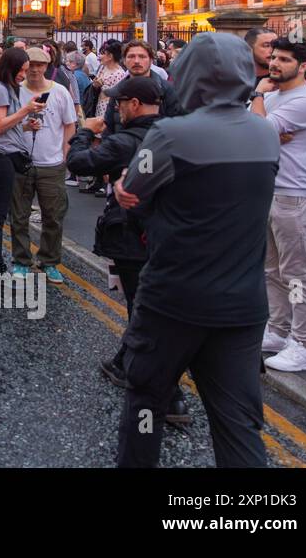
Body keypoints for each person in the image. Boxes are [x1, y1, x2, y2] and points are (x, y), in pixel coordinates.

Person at [114, 32, 278, 468]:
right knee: (238, 423)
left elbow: (131, 190)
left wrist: (121, 184)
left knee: (147, 403)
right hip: (243, 305)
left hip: (174, 298)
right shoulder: (266, 134)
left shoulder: (171, 134)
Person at [66, 75, 190, 425]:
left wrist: (85, 132)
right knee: (147, 307)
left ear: (134, 105)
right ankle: (123, 362)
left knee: (143, 311)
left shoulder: (125, 141)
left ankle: (171, 397)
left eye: (120, 103)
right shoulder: (177, 135)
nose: (117, 108)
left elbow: (78, 164)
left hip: (132, 236)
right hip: (172, 235)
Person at [251, 39, 306, 372]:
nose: (274, 63)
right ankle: (279, 331)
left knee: (297, 275)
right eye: (274, 57)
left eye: (283, 59)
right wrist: (265, 122)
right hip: (269, 192)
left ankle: (305, 344)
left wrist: (257, 99)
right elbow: (249, 130)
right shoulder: (275, 96)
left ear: (304, 66)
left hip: (294, 197)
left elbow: (258, 130)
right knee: (272, 270)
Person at [8, 47, 76, 282]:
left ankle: (49, 261)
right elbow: (6, 123)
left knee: (53, 216)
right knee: (19, 216)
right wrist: (25, 125)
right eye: (31, 65)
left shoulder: (59, 92)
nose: (35, 69)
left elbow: (70, 124)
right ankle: (21, 260)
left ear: (47, 67)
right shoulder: (15, 92)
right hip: (21, 162)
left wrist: (66, 153)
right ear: (24, 67)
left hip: (52, 163)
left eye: (40, 65)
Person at [0, 47, 43, 276]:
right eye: (22, 70)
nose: (24, 75)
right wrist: (26, 110)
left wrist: (26, 124)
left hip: (2, 154)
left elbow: (6, 126)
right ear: (11, 67)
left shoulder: (6, 89)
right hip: (0, 157)